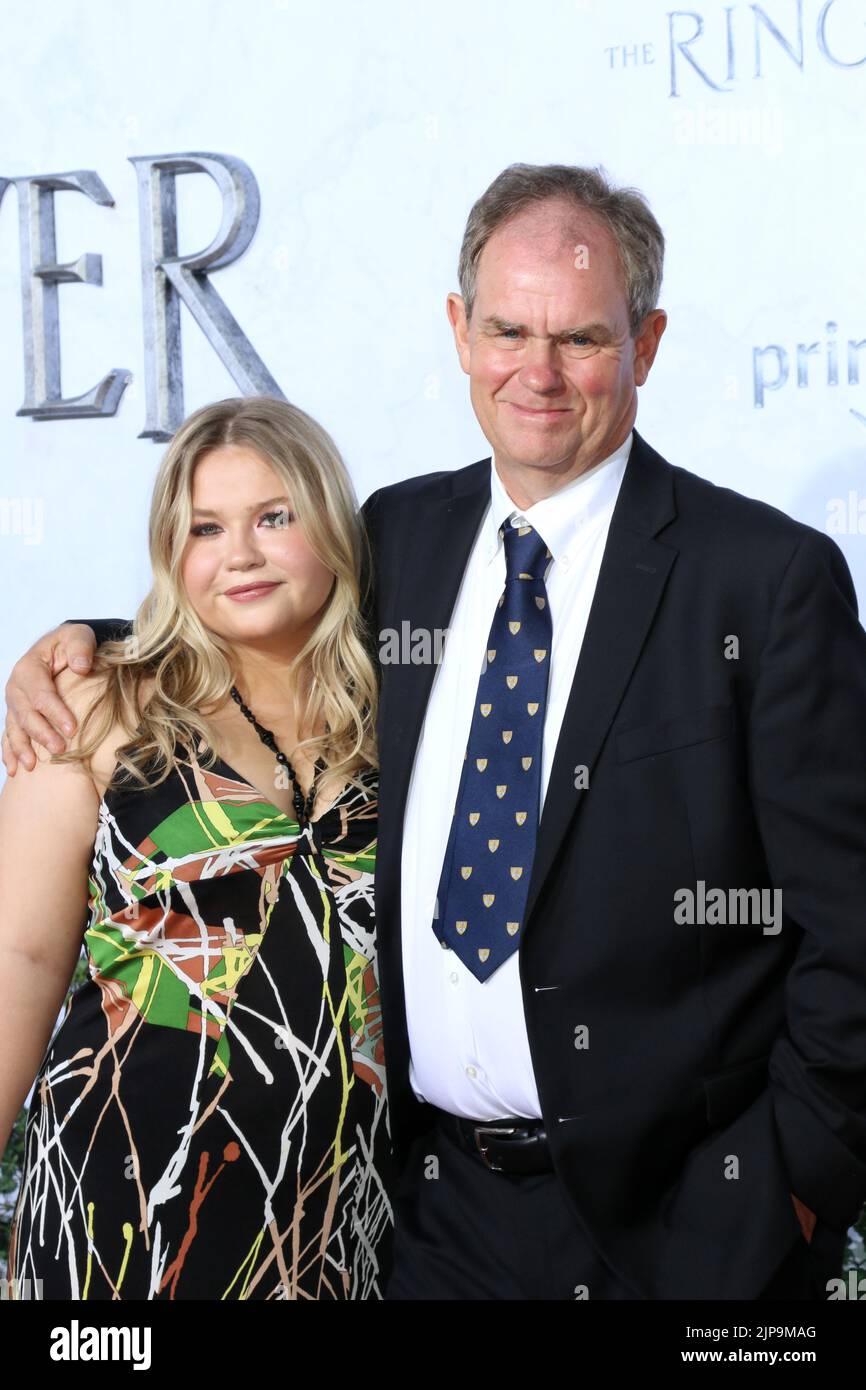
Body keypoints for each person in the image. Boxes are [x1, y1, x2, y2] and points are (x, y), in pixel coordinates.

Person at [6, 163, 866, 1301]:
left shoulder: (762, 582)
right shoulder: (400, 539)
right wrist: (89, 643)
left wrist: (783, 1191)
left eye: (582, 339)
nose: (538, 373)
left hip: (680, 1231)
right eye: (508, 329)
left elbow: (849, 932)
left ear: (646, 343)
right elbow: (252, 614)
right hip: (427, 1227)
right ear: (459, 332)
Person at [0, 395, 392, 1300]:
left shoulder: (405, 719)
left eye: (273, 517)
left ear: (331, 523)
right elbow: (19, 955)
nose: (241, 554)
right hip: (121, 1203)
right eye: (205, 528)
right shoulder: (97, 707)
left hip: (332, 1216)